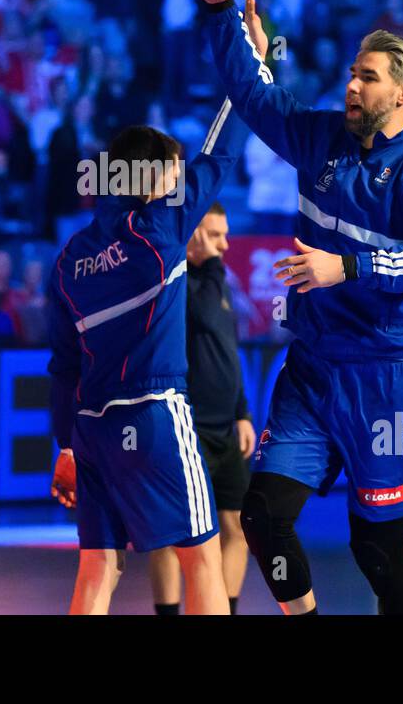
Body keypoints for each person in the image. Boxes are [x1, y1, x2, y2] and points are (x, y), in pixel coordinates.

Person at [195, 0, 403, 615]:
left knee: (376, 550)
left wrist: (346, 267)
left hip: (389, 378)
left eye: (367, 78)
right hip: (313, 369)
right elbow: (255, 97)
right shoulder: (322, 139)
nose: (351, 87)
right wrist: (219, 12)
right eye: (350, 74)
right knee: (261, 516)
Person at [47, 0, 249, 616]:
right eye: (173, 171)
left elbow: (62, 366)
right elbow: (223, 149)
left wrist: (65, 447)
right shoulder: (161, 232)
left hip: (92, 429)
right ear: (157, 178)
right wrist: (251, 64)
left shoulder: (71, 257)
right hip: (158, 415)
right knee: (202, 557)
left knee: (98, 569)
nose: (180, 178)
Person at [146, 202, 255, 615]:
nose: (225, 245)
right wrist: (209, 268)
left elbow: (227, 348)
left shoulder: (216, 279)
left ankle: (225, 609)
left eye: (226, 234)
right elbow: (206, 316)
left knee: (237, 528)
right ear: (190, 233)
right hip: (185, 432)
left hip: (225, 430)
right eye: (214, 235)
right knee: (176, 537)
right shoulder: (177, 282)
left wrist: (242, 412)